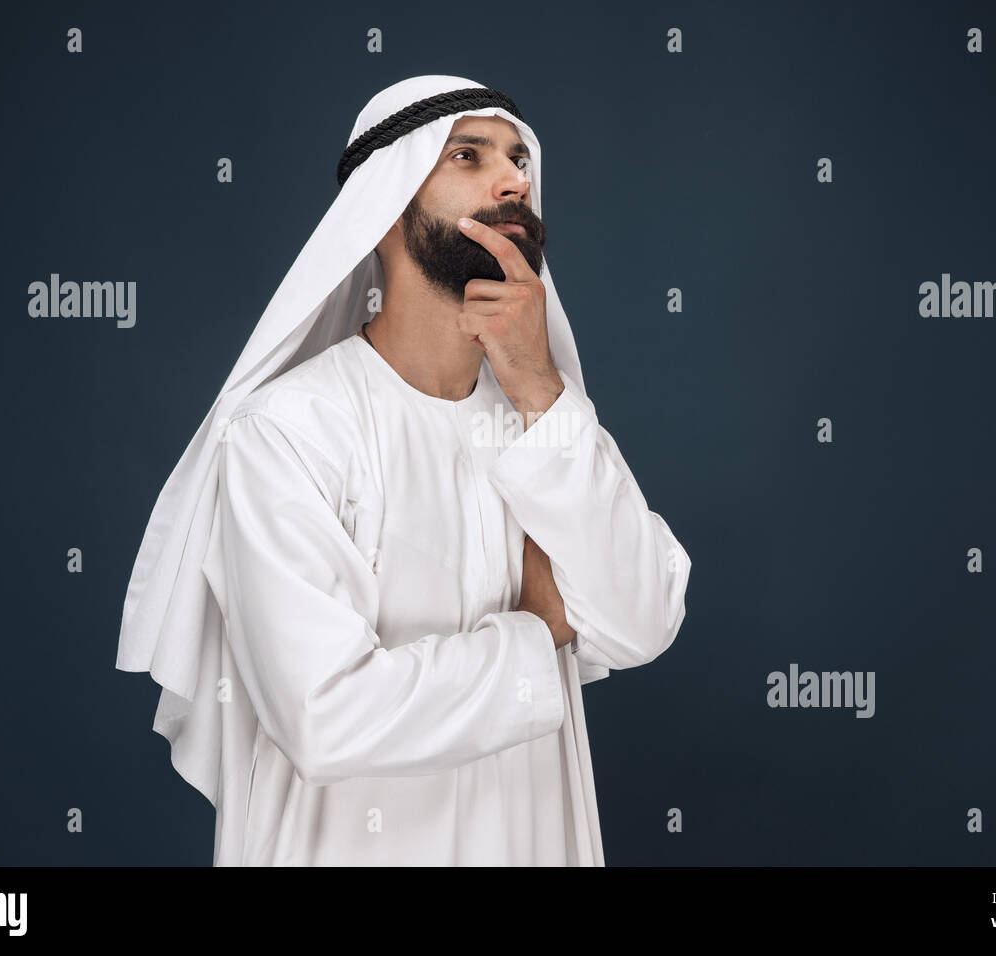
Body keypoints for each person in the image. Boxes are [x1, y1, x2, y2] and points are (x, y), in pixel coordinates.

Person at [116, 75, 691, 865]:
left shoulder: (544, 418)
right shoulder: (286, 431)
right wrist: (537, 632)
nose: (515, 178)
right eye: (470, 155)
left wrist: (541, 391)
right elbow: (327, 715)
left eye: (520, 158)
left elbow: (644, 619)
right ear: (385, 207)